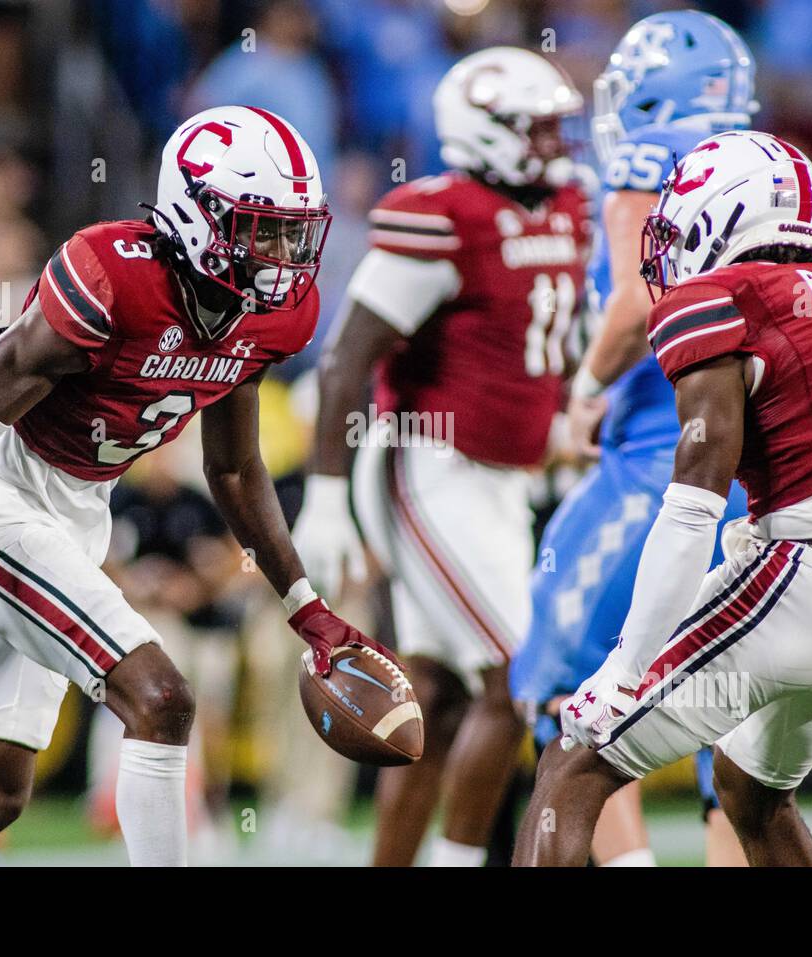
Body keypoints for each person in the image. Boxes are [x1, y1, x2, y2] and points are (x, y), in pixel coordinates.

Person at [0, 105, 396, 867]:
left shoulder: (270, 314)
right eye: (259, 227)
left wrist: (305, 606)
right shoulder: (112, 277)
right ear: (194, 215)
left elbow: (234, 468)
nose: (281, 254)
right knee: (161, 697)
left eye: (292, 230)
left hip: (77, 516)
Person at [514, 130, 812, 867]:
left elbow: (692, 508)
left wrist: (626, 670)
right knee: (751, 791)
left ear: (726, 218)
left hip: (802, 582)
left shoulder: (725, 300)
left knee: (571, 765)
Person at [294, 47, 590, 867]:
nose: (551, 140)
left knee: (436, 693)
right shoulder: (441, 214)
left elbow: (541, 344)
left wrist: (559, 422)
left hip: (501, 476)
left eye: (554, 123)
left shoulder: (567, 204)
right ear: (484, 129)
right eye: (534, 126)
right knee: (518, 676)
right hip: (430, 464)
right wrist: (324, 494)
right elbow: (346, 357)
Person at [511, 10, 754, 866]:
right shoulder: (767, 169)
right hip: (755, 477)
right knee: (734, 722)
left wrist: (582, 392)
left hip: (661, 457)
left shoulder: (651, 159)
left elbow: (641, 301)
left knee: (560, 682)